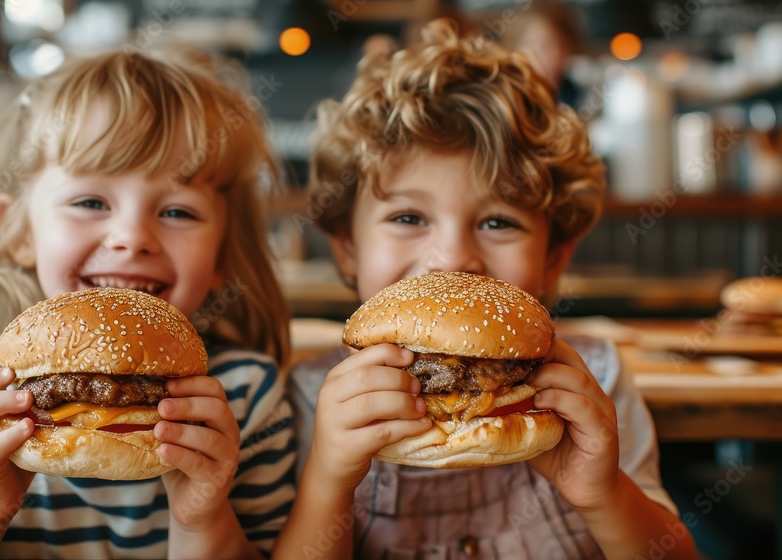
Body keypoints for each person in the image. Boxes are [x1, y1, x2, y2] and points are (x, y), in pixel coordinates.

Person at [275, 19, 698, 559]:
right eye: (408, 216)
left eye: (498, 222)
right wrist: (328, 481)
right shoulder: (310, 398)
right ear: (346, 249)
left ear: (553, 258)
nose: (452, 259)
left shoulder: (597, 383)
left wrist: (603, 492)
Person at [0, 49, 296, 559]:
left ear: (222, 253)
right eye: (91, 203)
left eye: (177, 210)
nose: (132, 237)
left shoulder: (248, 394)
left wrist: (203, 519)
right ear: (19, 231)